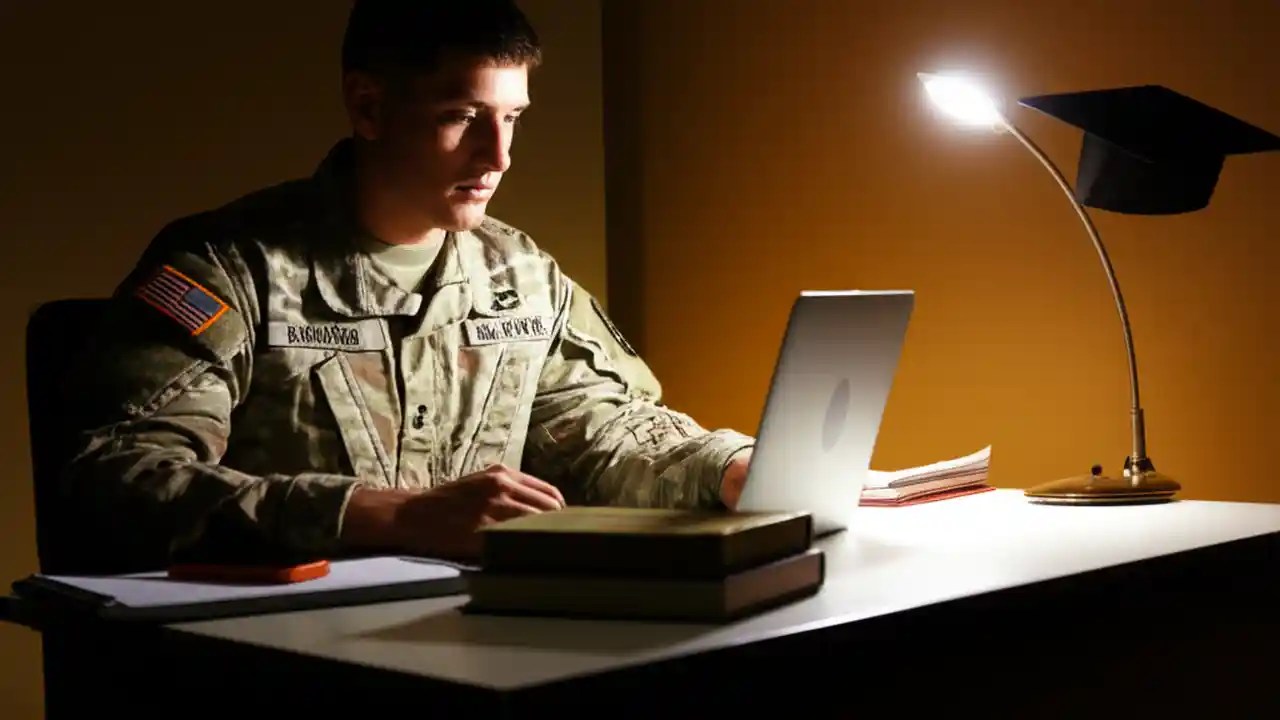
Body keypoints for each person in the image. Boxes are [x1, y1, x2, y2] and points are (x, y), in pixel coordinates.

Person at [60, 0, 754, 570]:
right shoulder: (230, 270)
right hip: (276, 655)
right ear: (367, 108)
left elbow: (602, 429)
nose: (499, 157)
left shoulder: (519, 275)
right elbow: (117, 478)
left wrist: (735, 469)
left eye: (512, 118)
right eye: (461, 117)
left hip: (485, 635)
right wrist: (388, 515)